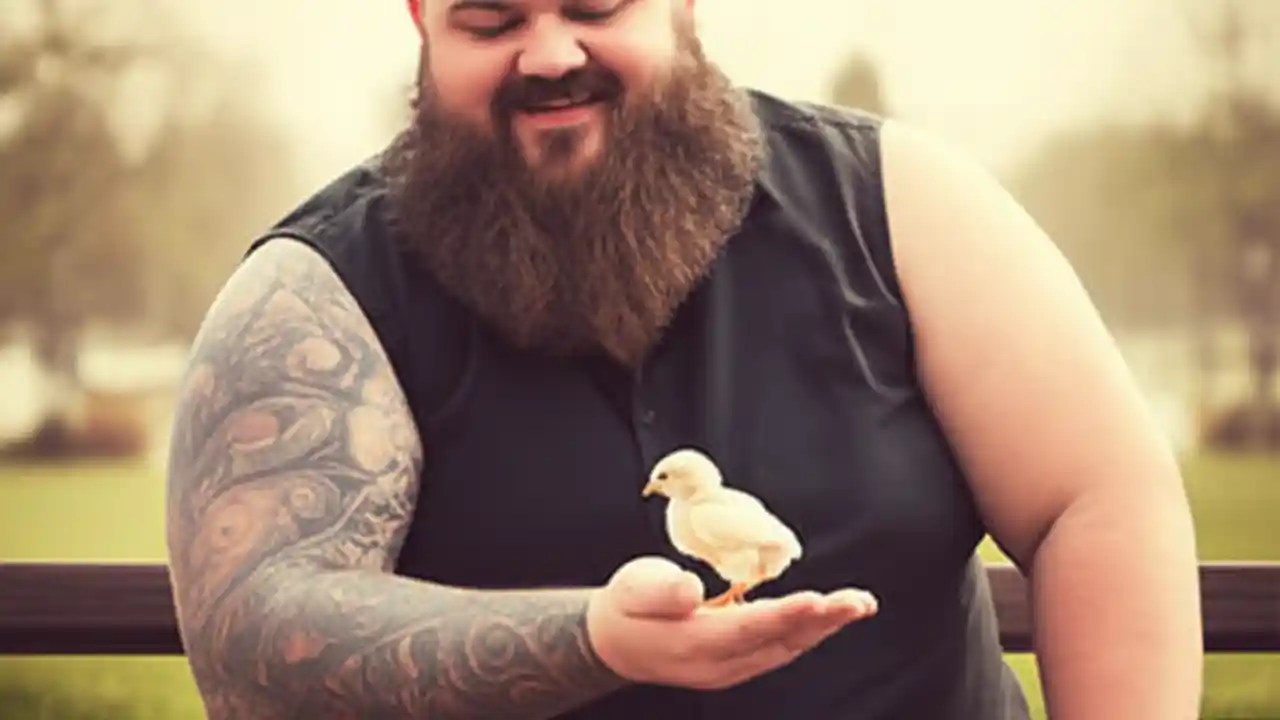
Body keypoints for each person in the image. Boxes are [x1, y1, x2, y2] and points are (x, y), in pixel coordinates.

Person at [163, 0, 1204, 717]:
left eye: (594, 5)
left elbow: (1095, 499)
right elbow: (257, 631)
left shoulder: (897, 205)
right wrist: (593, 638)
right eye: (492, 20)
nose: (548, 53)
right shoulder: (318, 292)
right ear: (419, 22)